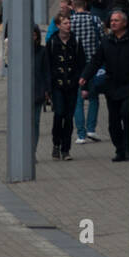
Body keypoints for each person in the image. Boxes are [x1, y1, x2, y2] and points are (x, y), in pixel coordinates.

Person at [79, 8, 129, 161]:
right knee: (113, 123)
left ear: (124, 23)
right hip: (112, 87)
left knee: (127, 115)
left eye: (116, 20)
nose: (113, 23)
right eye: (112, 20)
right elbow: (96, 60)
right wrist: (85, 76)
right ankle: (120, 150)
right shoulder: (106, 41)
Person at [43, 10, 85, 161]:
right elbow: (47, 66)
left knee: (68, 117)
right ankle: (56, 143)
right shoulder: (52, 43)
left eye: (69, 23)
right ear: (58, 25)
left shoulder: (76, 42)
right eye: (65, 23)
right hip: (57, 86)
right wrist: (47, 88)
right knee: (59, 113)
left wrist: (82, 81)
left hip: (72, 85)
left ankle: (66, 149)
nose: (69, 25)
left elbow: (82, 63)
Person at [70, 0, 104, 143]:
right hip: (93, 65)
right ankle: (91, 129)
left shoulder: (70, 22)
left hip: (75, 66)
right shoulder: (95, 20)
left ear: (73, 6)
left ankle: (81, 134)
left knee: (77, 100)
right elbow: (102, 41)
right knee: (93, 98)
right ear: (86, 5)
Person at [33, 24, 50, 155]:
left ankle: (32, 151)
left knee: (35, 123)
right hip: (23, 94)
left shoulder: (43, 51)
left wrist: (47, 90)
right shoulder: (20, 51)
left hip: (38, 92)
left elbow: (46, 72)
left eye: (34, 35)